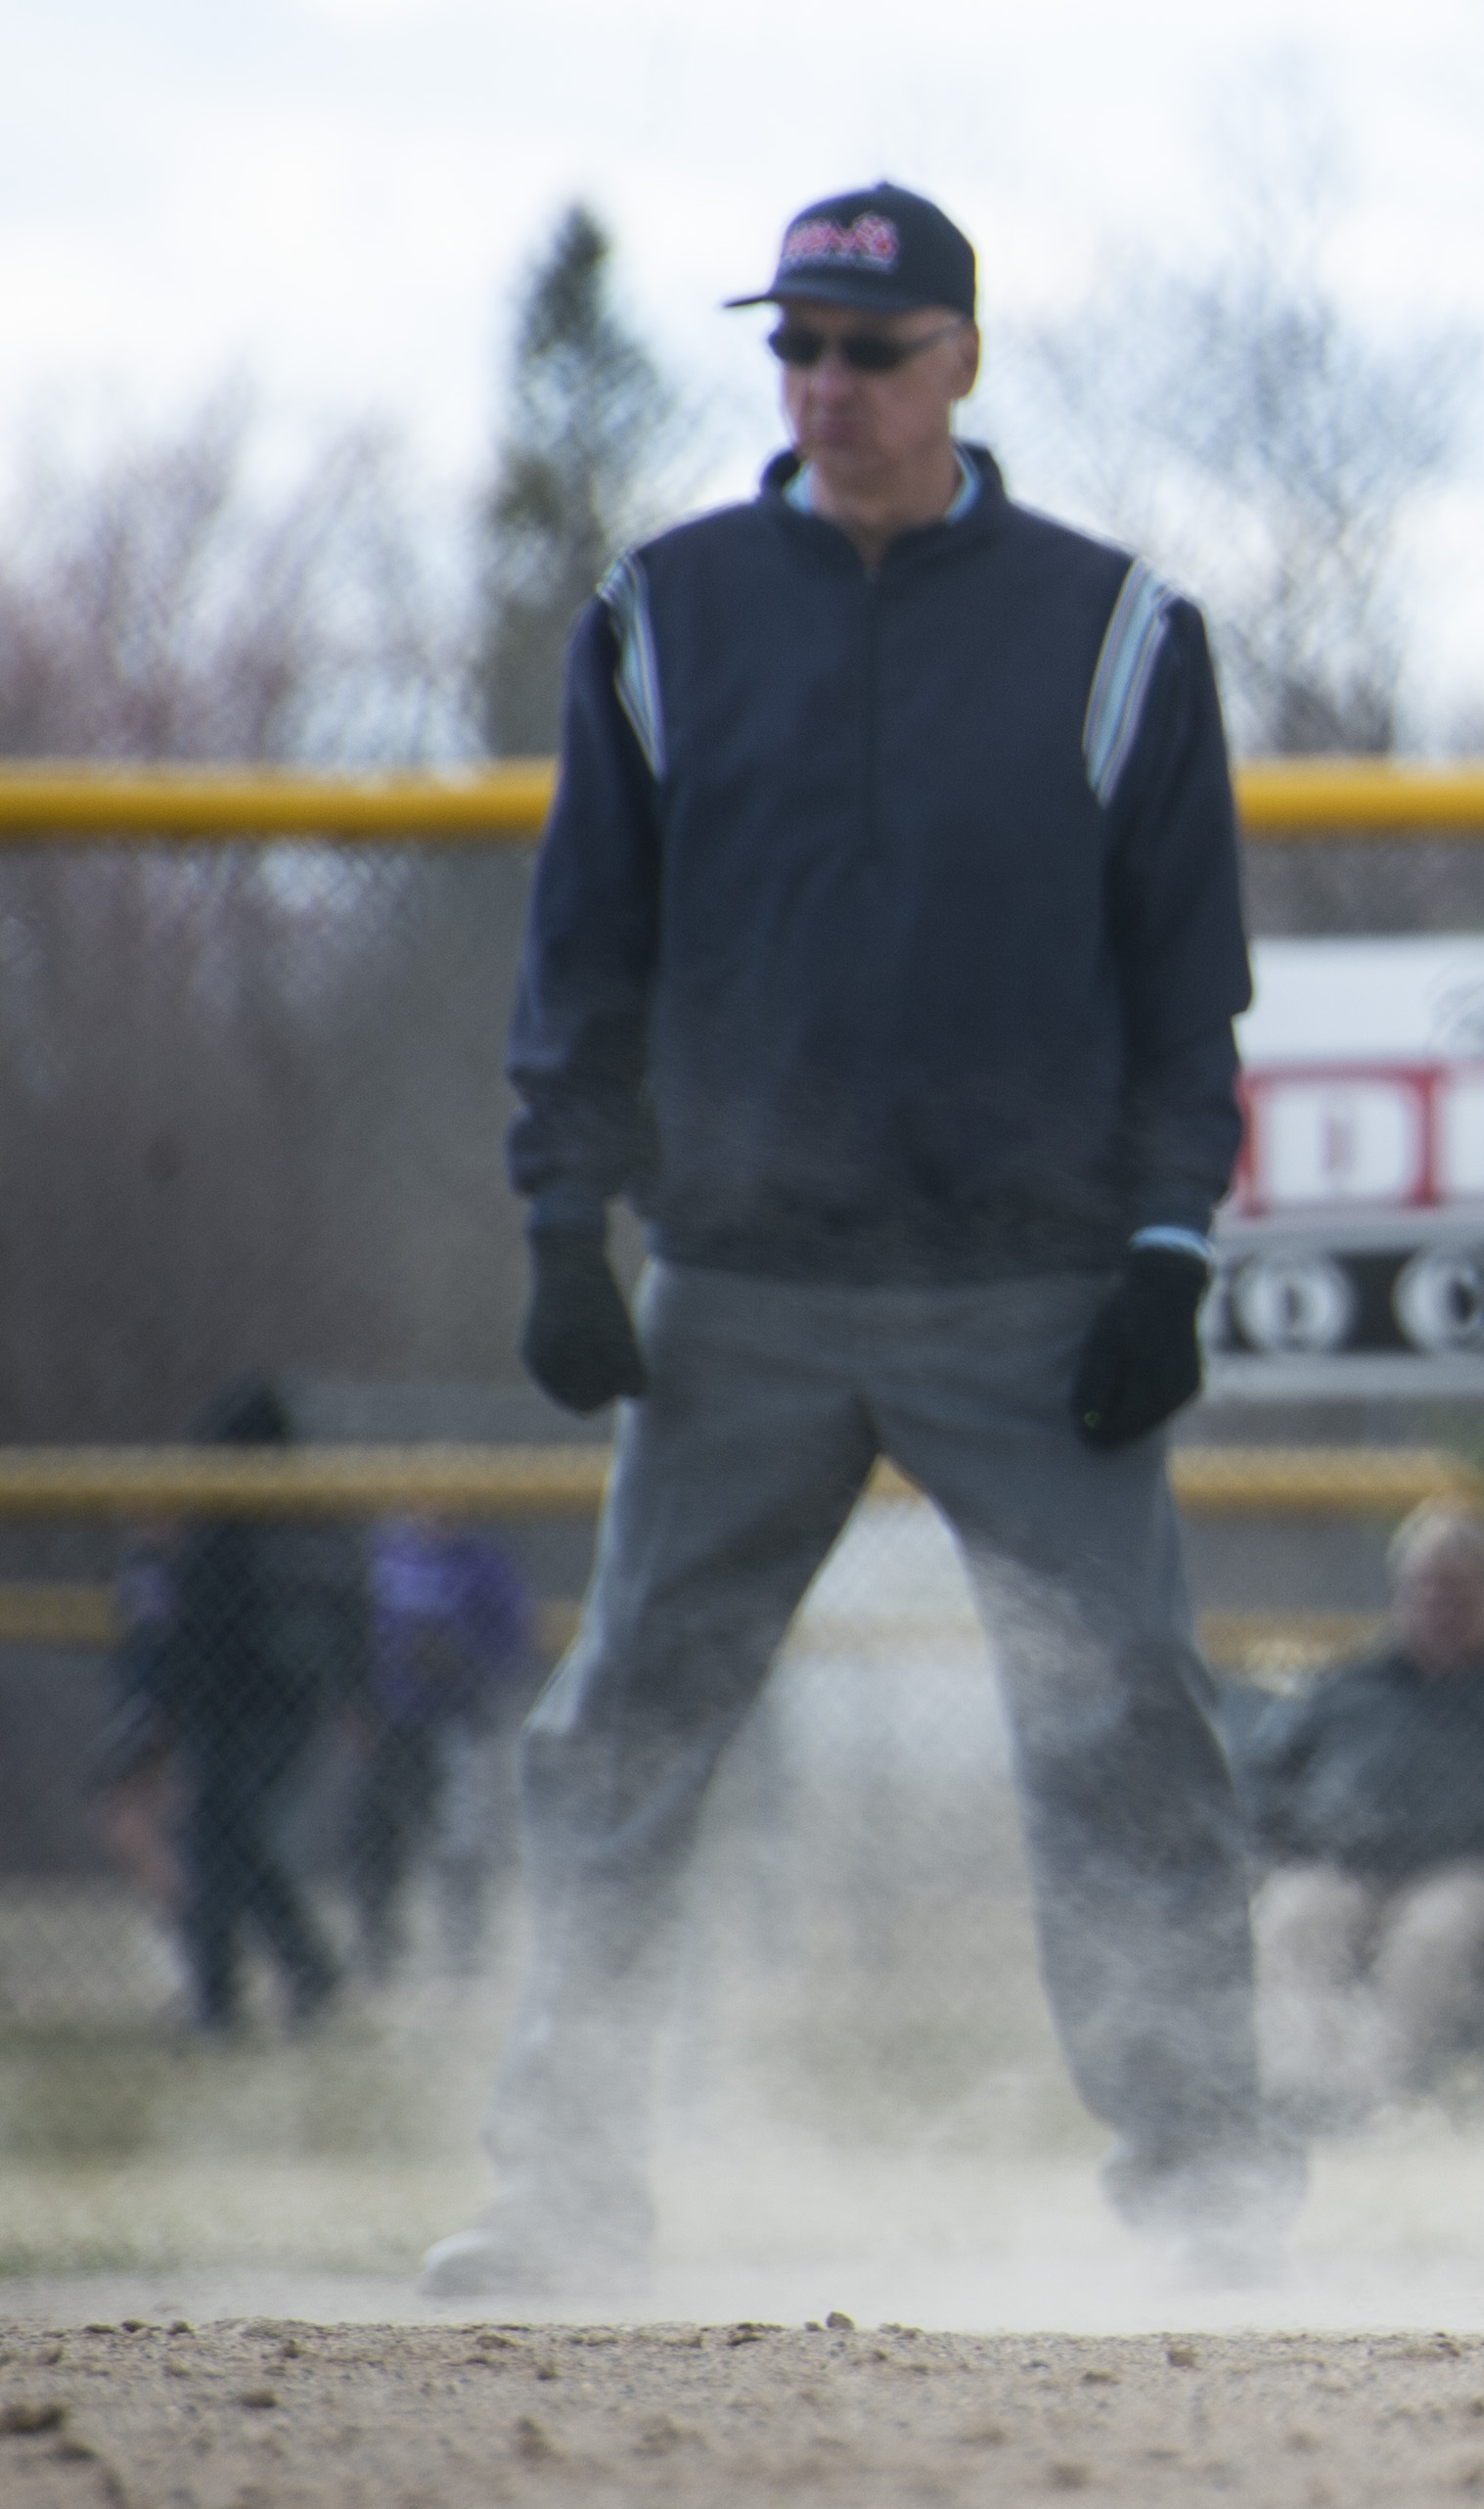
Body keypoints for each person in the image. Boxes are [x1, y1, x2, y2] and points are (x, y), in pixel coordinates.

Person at [427, 181, 1282, 2300]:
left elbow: (1190, 997)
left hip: (1032, 1291)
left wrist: (1169, 1249)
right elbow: (582, 959)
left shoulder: (1115, 629)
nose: (830, 388)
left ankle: (1206, 2190)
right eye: (797, 348)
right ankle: (562, 2195)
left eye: (873, 351)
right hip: (741, 1287)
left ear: (964, 361)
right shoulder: (664, 610)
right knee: (623, 1726)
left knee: (1129, 1729)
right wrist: (562, 1223)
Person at [1221, 1501, 1484, 2125]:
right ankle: (1300, 2098)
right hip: (1345, 1866)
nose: (1440, 1605)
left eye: (1460, 1591)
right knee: (1293, 1916)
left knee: (1431, 1935)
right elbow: (1263, 1777)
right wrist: (1283, 1836)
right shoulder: (1350, 1685)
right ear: (1399, 1597)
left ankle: (1371, 2099)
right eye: (1425, 1589)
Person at [134, 1378, 358, 2039]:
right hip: (242, 1709)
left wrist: (167, 1714)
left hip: (263, 1712)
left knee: (229, 1841)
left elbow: (342, 1619)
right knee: (225, 1843)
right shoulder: (241, 1521)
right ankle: (255, 1986)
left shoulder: (270, 1523)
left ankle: (230, 1996)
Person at [340, 1513, 535, 1984]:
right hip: (390, 1720)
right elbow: (348, 1630)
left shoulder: (482, 1561)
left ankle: (464, 1954)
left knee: (457, 1841)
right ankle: (378, 1949)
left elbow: (513, 1642)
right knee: (374, 1836)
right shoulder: (384, 1553)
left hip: (456, 1721)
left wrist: (460, 1658)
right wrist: (355, 1701)